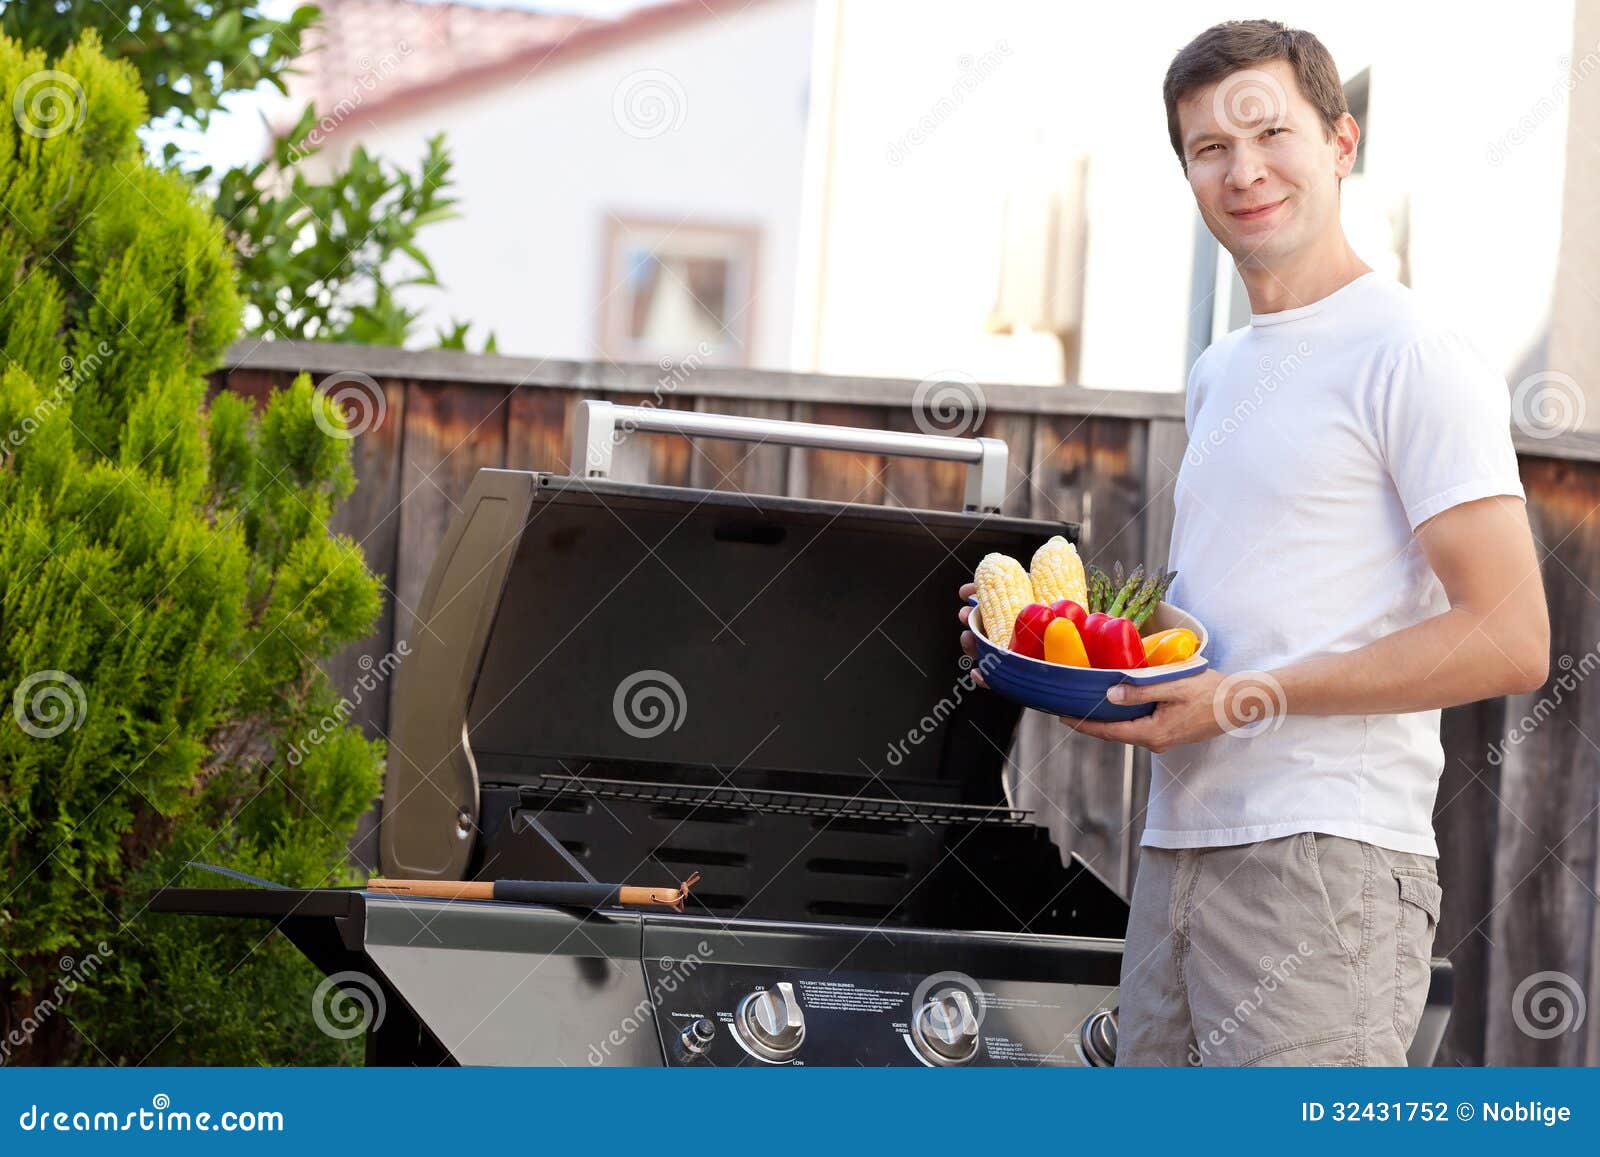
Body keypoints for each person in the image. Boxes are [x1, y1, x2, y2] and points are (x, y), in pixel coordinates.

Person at [958, 19, 1548, 1066]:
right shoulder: (1220, 370)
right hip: (1179, 851)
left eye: (1270, 132)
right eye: (1209, 149)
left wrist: (1243, 699)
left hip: (1324, 868)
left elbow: (1510, 639)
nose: (1245, 171)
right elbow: (1216, 635)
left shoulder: (1416, 352)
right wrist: (1061, 647)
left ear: (1340, 141)